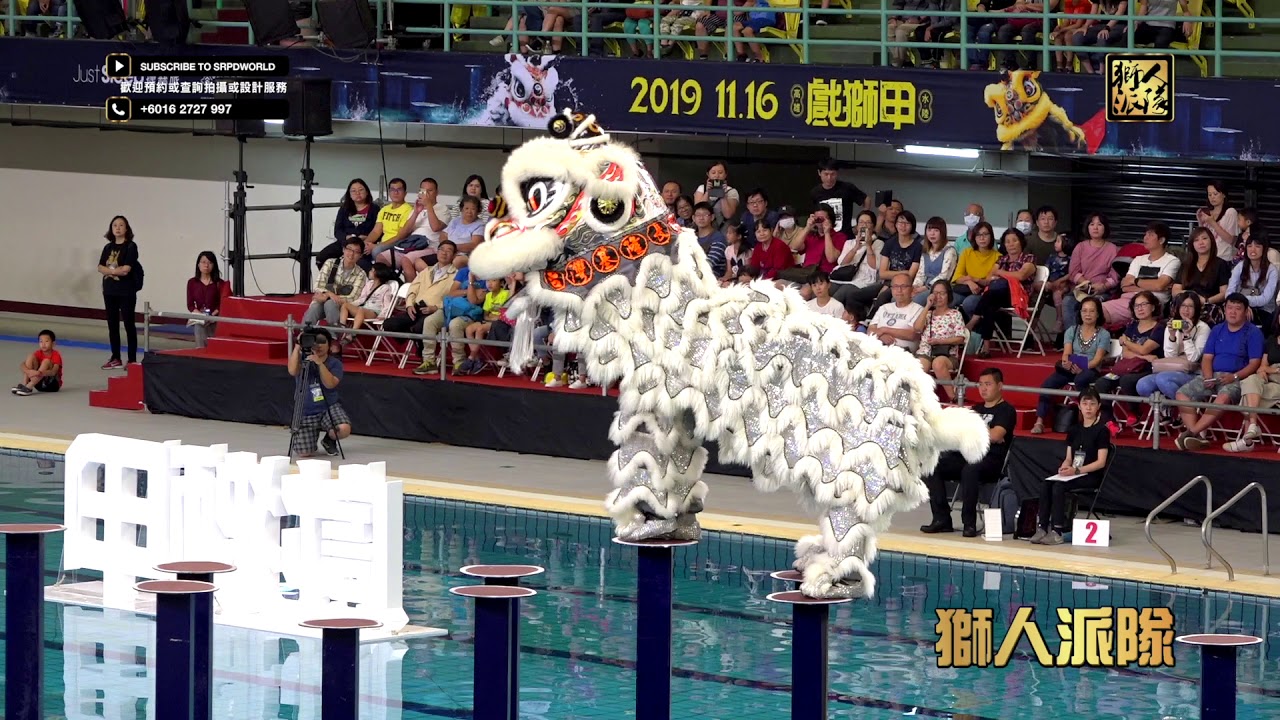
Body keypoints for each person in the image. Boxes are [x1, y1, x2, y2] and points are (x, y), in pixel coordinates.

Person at [920, 367, 1017, 537]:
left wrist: (977, 430)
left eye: (988, 384)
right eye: (980, 384)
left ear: (1000, 386)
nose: (983, 389)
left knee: (970, 470)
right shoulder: (975, 409)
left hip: (990, 460)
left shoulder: (1006, 410)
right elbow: (960, 433)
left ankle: (969, 523)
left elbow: (996, 436)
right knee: (932, 465)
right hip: (965, 454)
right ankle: (941, 518)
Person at [1175, 293, 1265, 450]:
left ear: (1246, 311)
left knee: (1223, 397)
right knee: (1182, 394)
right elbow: (1207, 358)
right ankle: (1196, 437)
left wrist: (1234, 376)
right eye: (1229, 308)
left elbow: (1255, 363)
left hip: (1238, 378)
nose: (1233, 312)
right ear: (1224, 309)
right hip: (1213, 376)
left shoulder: (1253, 332)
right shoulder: (1217, 329)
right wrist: (1208, 377)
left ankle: (1191, 433)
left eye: (1238, 309)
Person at [1033, 387, 1111, 546]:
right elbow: (1069, 458)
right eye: (1085, 403)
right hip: (1074, 472)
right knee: (1047, 483)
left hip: (1090, 475)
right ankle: (1042, 527)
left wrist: (1076, 471)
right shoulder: (1074, 430)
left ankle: (1057, 531)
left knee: (1059, 488)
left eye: (1092, 404)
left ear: (1098, 406)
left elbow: (1100, 462)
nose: (1088, 407)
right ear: (1080, 406)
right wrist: (1064, 468)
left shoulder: (1102, 431)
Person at [1032, 296, 1111, 434]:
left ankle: (1085, 420)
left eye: (1091, 311)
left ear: (1098, 314)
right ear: (1079, 313)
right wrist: (1066, 363)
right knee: (1047, 385)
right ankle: (1039, 422)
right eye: (1084, 311)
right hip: (1072, 365)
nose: (1087, 314)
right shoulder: (1072, 330)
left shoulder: (1103, 334)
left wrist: (1082, 367)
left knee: (1080, 379)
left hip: (1090, 368)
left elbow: (1097, 360)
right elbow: (1066, 354)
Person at [287, 328, 351, 458]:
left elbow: (330, 384)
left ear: (329, 345)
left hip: (328, 407)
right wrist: (297, 346)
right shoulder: (302, 359)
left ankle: (329, 440)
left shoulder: (335, 363)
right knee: (304, 453)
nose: (319, 345)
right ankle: (310, 437)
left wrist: (320, 364)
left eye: (323, 342)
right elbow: (293, 371)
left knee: (343, 428)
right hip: (306, 410)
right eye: (315, 342)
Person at [98, 215, 141, 370]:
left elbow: (127, 269)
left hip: (126, 291)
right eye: (114, 225)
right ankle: (115, 357)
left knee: (129, 324)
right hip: (109, 291)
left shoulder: (131, 246)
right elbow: (100, 267)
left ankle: (132, 359)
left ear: (126, 228)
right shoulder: (108, 248)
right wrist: (115, 271)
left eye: (121, 225)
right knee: (112, 325)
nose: (117, 228)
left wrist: (110, 272)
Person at [914, 280, 966, 400]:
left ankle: (953, 397)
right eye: (936, 293)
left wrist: (939, 341)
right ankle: (918, 399)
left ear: (949, 295)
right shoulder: (928, 314)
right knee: (919, 366)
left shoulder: (955, 314)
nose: (939, 297)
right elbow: (917, 328)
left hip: (947, 354)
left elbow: (960, 338)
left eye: (942, 293)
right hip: (926, 352)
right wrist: (927, 305)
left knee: (938, 363)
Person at [316, 179, 379, 270]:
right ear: (349, 194)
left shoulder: (375, 209)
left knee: (362, 264)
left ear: (367, 192)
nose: (357, 193)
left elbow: (378, 230)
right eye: (353, 191)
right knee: (321, 258)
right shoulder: (344, 209)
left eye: (361, 190)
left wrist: (367, 238)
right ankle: (333, 280)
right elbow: (337, 230)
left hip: (364, 244)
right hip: (345, 242)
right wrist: (346, 237)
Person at [305, 238, 368, 327]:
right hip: (322, 301)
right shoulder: (330, 263)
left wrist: (328, 298)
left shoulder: (361, 274)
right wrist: (329, 294)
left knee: (330, 304)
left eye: (356, 251)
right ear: (343, 249)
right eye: (349, 249)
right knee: (315, 307)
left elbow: (354, 297)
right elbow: (318, 285)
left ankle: (334, 336)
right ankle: (304, 334)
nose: (351, 254)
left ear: (360, 255)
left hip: (343, 307)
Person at [868, 273, 924, 352]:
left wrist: (884, 330)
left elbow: (912, 335)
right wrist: (881, 336)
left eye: (903, 286)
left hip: (902, 351)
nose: (899, 290)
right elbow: (870, 330)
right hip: (878, 347)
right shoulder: (884, 308)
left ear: (912, 289)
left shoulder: (919, 310)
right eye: (895, 286)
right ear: (891, 289)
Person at [187, 251, 225, 348]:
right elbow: (190, 305)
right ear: (198, 264)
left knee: (216, 348)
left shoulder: (220, 283)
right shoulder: (192, 283)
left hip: (215, 319)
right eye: (203, 262)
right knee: (200, 348)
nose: (206, 265)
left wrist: (212, 315)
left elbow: (223, 303)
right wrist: (201, 316)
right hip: (200, 320)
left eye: (210, 263)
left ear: (214, 265)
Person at [12, 330, 63, 396]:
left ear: (53, 344)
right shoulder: (38, 353)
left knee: (46, 361)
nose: (43, 344)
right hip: (38, 383)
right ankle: (25, 385)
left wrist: (40, 373)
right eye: (41, 341)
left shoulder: (56, 355)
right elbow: (22, 364)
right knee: (30, 356)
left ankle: (29, 386)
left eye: (46, 341)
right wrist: (29, 371)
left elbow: (53, 372)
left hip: (52, 385)